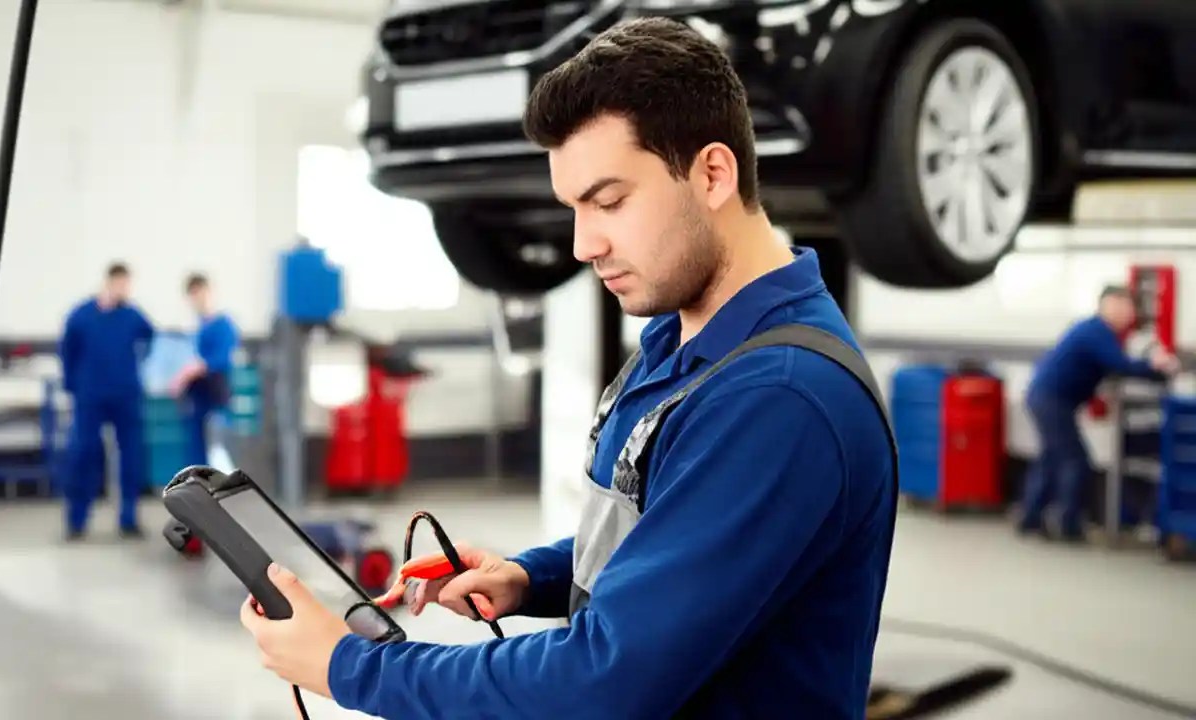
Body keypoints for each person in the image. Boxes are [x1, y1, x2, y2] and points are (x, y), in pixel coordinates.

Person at [239, 18, 896, 718]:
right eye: (573, 208)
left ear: (713, 173)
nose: (584, 243)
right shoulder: (679, 341)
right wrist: (532, 578)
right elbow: (663, 529)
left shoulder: (780, 399)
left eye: (610, 201)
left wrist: (350, 667)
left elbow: (599, 682)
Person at [1019, 285, 1180, 541]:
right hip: (1053, 400)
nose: (1130, 314)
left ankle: (1030, 518)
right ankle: (1067, 524)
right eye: (1126, 307)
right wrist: (1158, 368)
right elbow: (1119, 365)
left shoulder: (1094, 330)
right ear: (1111, 305)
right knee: (1075, 460)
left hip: (1044, 397)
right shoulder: (1098, 331)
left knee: (1051, 458)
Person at [58, 262, 154, 539]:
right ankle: (76, 520)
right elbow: (67, 352)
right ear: (110, 282)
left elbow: (152, 340)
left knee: (131, 457)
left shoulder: (133, 316)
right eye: (122, 284)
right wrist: (73, 386)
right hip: (90, 397)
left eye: (128, 285)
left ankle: (128, 518)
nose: (125, 290)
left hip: (126, 396)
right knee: (84, 454)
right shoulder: (81, 316)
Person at [169, 273, 240, 468]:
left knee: (218, 451)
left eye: (201, 293)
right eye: (193, 295)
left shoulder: (223, 325)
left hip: (216, 396)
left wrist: (187, 373)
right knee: (195, 452)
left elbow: (219, 360)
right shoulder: (197, 328)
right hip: (196, 398)